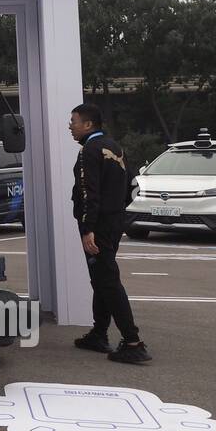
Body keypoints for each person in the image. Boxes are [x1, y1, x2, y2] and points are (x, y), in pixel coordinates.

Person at [68, 104, 152, 363]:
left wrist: (87, 228)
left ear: (88, 125)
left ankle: (133, 341)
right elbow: (130, 185)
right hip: (115, 221)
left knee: (108, 280)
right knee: (101, 279)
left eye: (74, 121)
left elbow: (88, 192)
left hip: (99, 225)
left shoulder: (89, 151)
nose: (70, 126)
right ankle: (99, 333)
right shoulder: (114, 147)